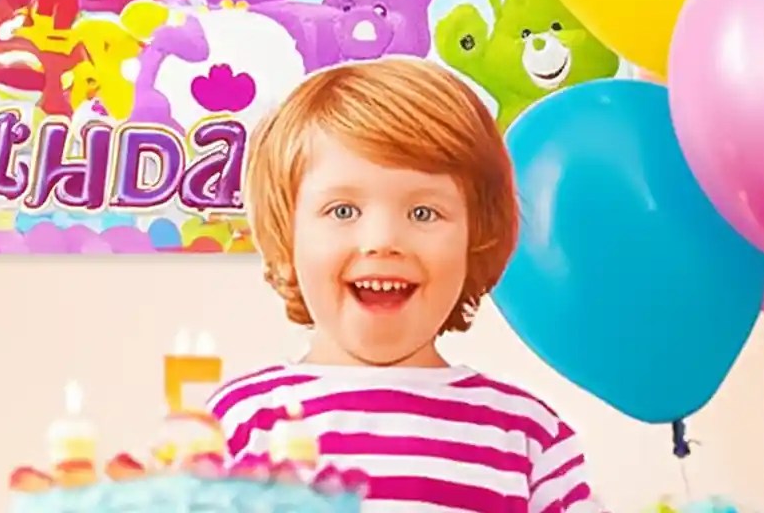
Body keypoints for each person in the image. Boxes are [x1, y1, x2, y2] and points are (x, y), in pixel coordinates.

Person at [208, 58, 602, 511]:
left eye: (423, 213)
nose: (382, 242)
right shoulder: (237, 425)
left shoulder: (528, 437)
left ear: (476, 237)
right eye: (342, 211)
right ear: (287, 232)